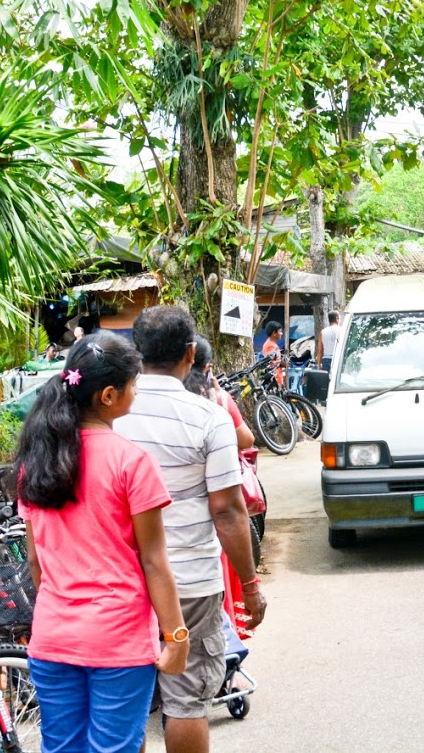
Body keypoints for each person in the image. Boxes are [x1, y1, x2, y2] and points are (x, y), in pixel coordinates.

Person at [15, 332, 189, 753]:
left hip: (53, 638)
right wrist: (177, 636)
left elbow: (36, 564)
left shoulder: (36, 463)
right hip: (118, 641)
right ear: (109, 395)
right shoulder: (131, 461)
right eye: (134, 385)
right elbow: (154, 562)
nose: (136, 392)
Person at [116, 306, 267, 753]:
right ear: (188, 354)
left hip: (124, 579)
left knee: (129, 705)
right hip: (190, 584)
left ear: (136, 354)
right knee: (186, 703)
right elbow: (228, 512)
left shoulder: (108, 412)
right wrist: (251, 584)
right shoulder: (209, 418)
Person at [185, 335, 255, 452]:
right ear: (208, 367)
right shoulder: (219, 398)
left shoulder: (163, 396)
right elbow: (247, 440)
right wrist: (218, 394)